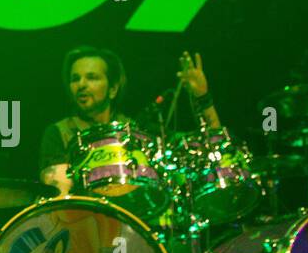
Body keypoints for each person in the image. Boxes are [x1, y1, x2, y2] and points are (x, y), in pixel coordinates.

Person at [38, 46, 220, 195]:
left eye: (92, 77)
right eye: (75, 79)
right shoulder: (58, 132)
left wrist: (202, 97)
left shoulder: (139, 131)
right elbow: (58, 195)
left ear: (113, 89)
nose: (81, 84)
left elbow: (211, 146)